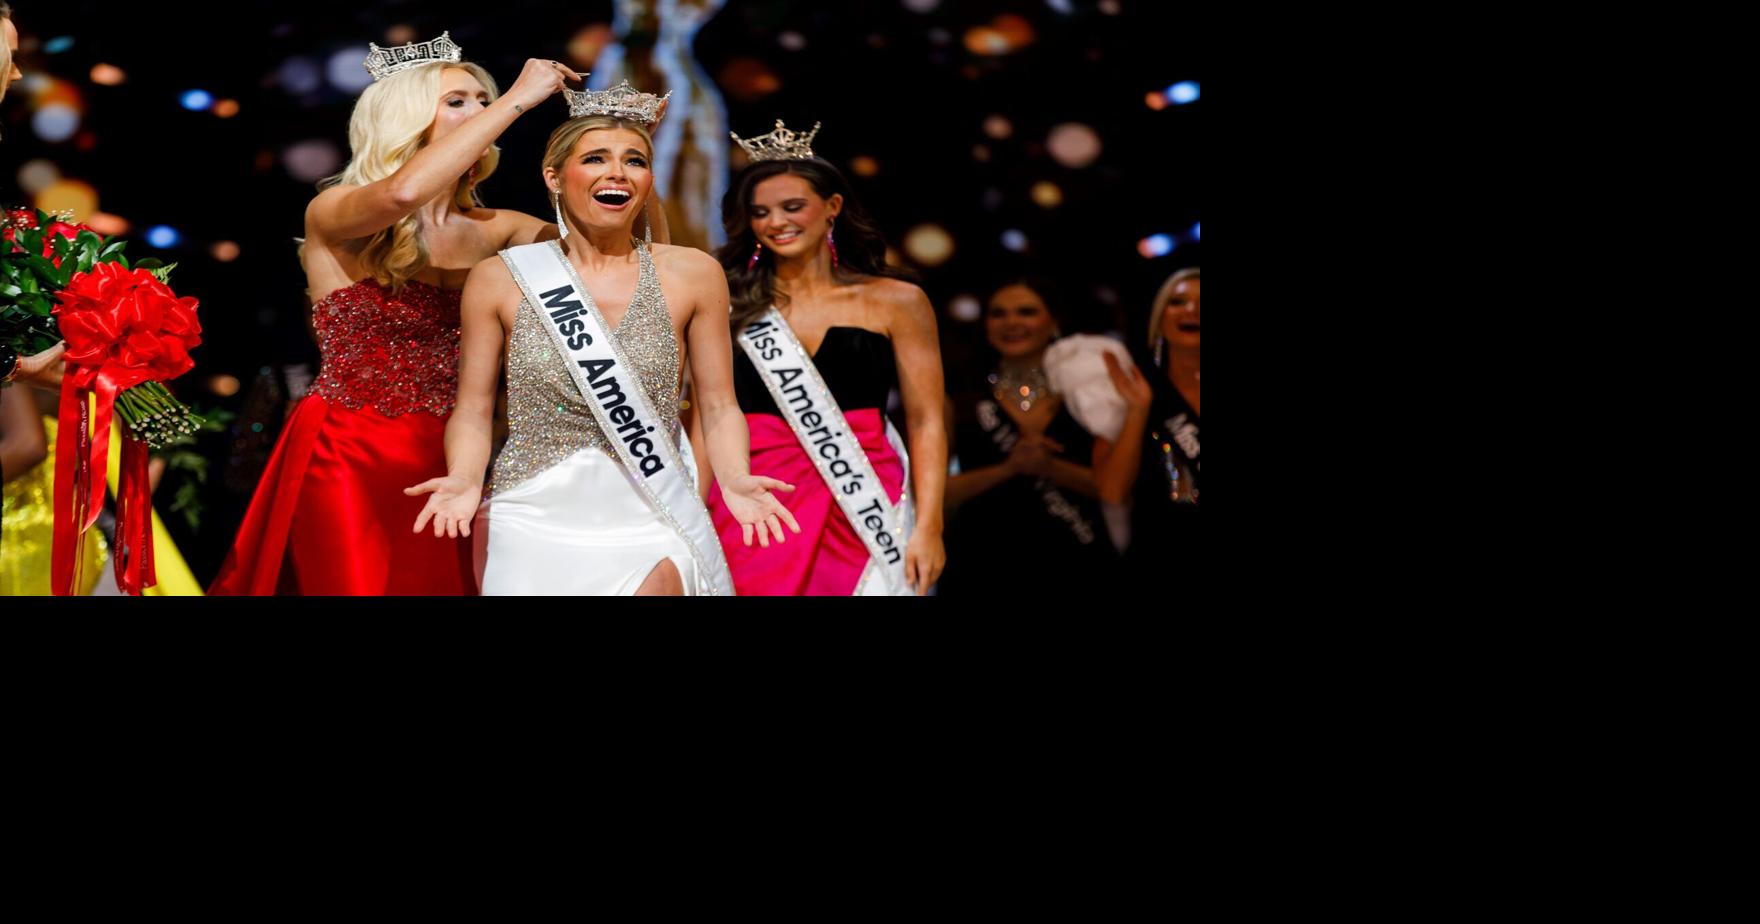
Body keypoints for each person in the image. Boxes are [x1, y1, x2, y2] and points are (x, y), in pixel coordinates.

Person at [210, 33, 579, 594]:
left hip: (458, 452)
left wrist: (626, 158)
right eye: (457, 101)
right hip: (347, 450)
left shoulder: (500, 228)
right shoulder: (333, 210)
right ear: (405, 119)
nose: (481, 112)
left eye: (484, 100)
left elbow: (618, 259)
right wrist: (517, 100)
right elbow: (403, 194)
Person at [408, 83, 797, 595]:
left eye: (634, 160)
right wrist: (462, 477)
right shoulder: (501, 278)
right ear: (554, 176)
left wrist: (734, 478)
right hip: (533, 511)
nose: (617, 172)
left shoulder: (693, 273)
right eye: (595, 158)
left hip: (652, 505)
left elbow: (720, 405)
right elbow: (474, 410)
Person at [700, 119, 945, 595]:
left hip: (865, 497)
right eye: (761, 212)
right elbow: (708, 416)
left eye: (793, 207)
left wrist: (930, 526)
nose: (776, 223)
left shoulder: (896, 300)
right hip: (760, 501)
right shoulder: (725, 300)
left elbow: (927, 421)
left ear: (832, 207)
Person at [939, 278, 1119, 596]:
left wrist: (1051, 468)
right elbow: (934, 492)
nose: (1012, 323)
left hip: (1076, 558)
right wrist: (1007, 469)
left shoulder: (1090, 392)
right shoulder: (959, 395)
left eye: (1026, 312)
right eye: (999, 314)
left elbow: (1121, 486)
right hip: (981, 561)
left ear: (1054, 321)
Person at [1094, 267, 1199, 568]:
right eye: (1177, 302)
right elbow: (1111, 491)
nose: (1191, 310)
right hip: (1157, 554)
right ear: (1159, 317)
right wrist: (1139, 409)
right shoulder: (1130, 385)